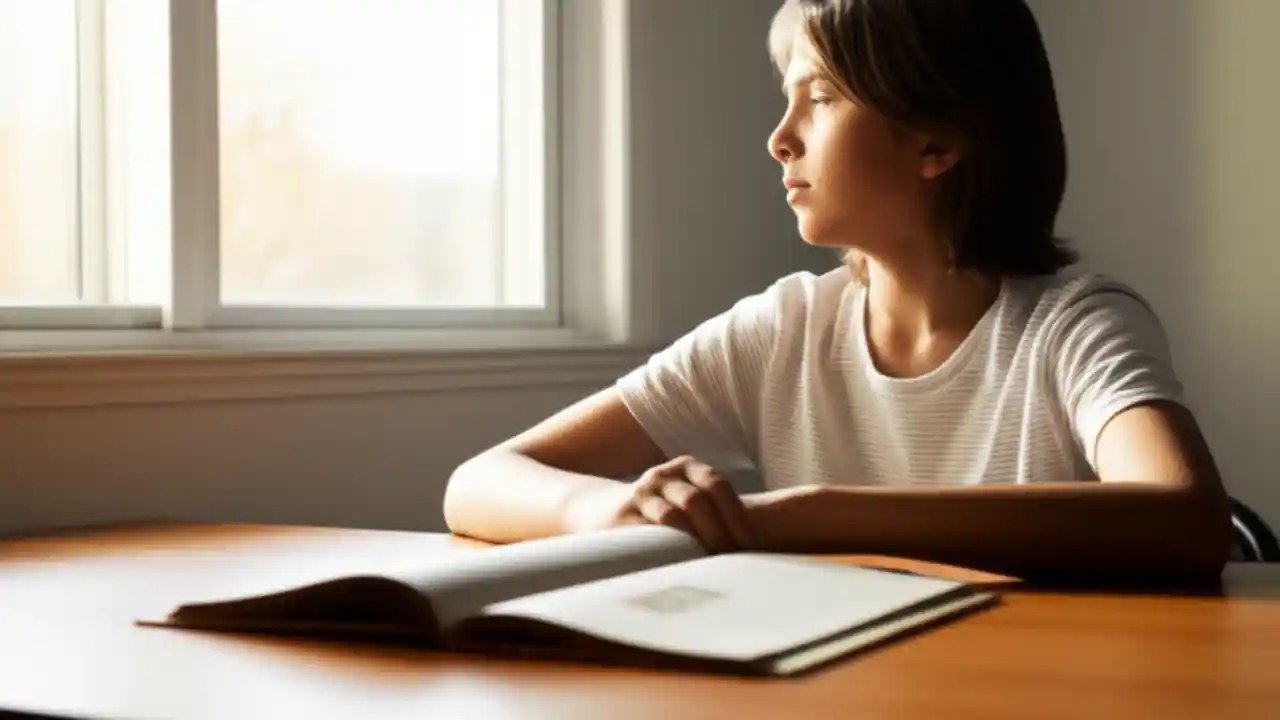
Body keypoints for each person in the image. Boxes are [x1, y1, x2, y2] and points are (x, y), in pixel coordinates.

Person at [443, 0, 1231, 581]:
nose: (779, 137)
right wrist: (607, 513)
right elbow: (478, 483)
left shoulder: (1073, 325)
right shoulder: (781, 330)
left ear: (935, 141)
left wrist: (811, 513)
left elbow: (1186, 520)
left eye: (819, 99)